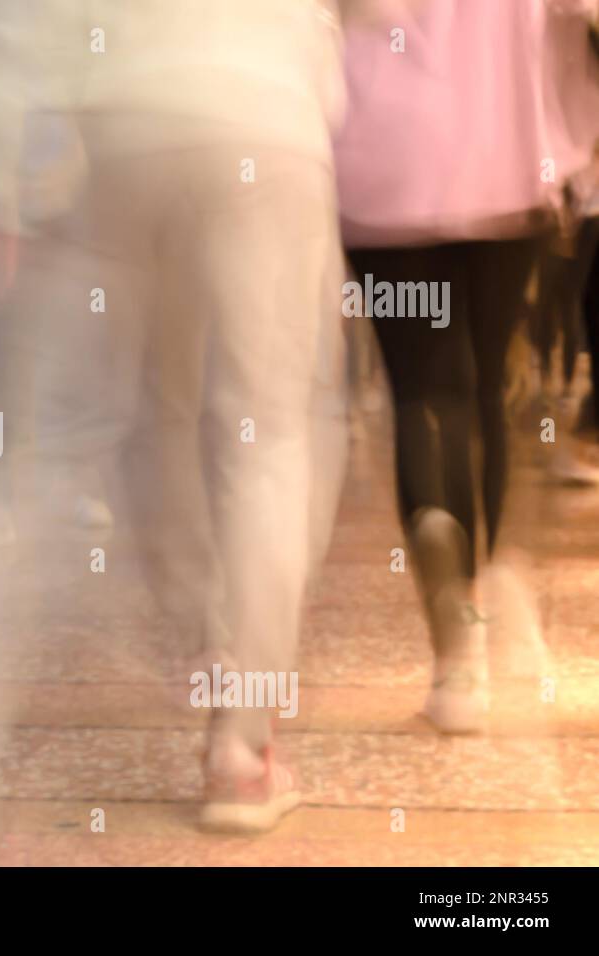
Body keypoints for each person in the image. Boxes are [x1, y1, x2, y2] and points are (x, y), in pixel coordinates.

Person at [0, 0, 350, 833]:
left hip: (129, 122)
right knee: (269, 432)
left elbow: (21, 19)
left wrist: (0, 177)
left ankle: (201, 641)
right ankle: (241, 750)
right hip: (265, 116)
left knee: (152, 408)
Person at [335, 0, 599, 733]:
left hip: (381, 165)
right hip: (504, 157)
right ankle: (491, 590)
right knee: (486, 385)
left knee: (426, 390)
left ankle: (455, 658)